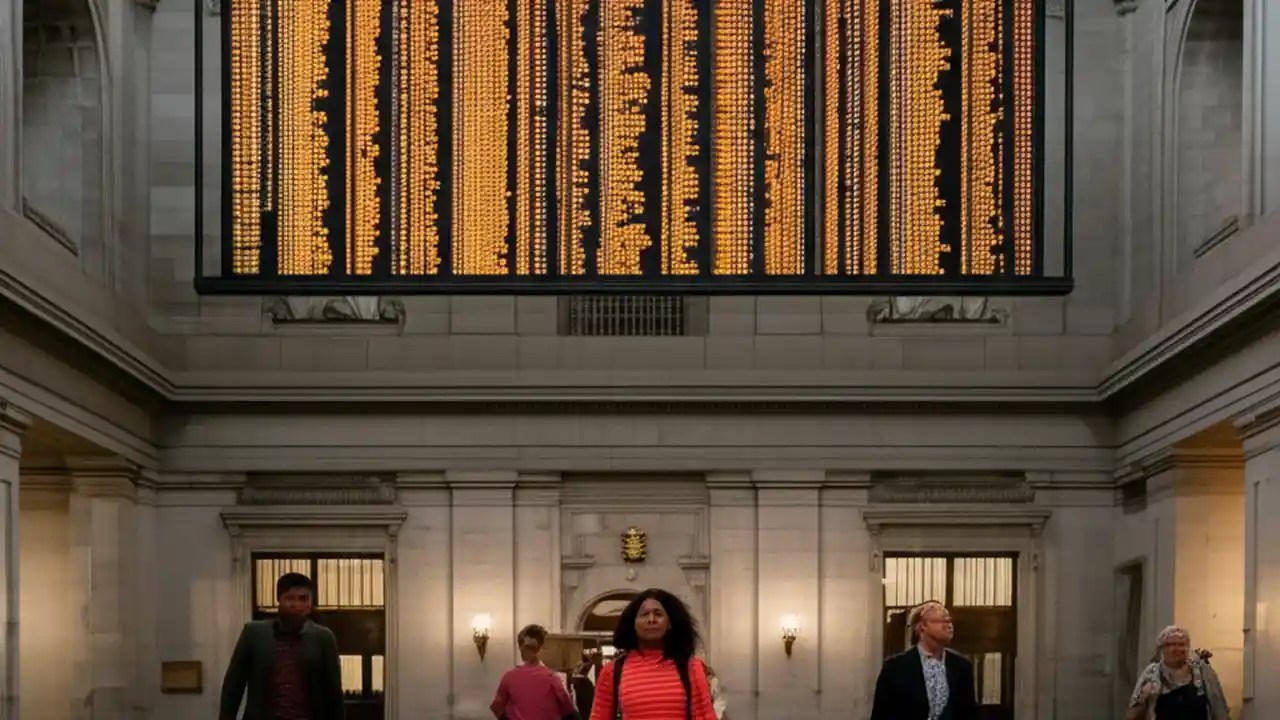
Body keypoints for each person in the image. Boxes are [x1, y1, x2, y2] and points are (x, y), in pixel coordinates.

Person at [219, 572, 344, 720]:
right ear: (279, 600)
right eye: (290, 598)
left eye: (304, 599)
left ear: (311, 602)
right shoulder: (254, 633)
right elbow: (234, 685)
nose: (297, 604)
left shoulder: (323, 637)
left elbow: (334, 692)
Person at [588, 588, 717, 720]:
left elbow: (705, 716)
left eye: (658, 614)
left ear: (670, 623)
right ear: (633, 624)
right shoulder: (612, 672)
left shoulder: (691, 668)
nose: (651, 619)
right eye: (644, 614)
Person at [869, 600, 978, 720]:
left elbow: (969, 713)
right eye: (941, 620)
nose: (949, 625)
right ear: (921, 627)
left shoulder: (961, 666)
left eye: (949, 621)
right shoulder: (895, 668)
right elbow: (880, 715)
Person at [1126, 625, 1229, 720]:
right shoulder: (1151, 673)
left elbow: (1219, 709)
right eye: (1171, 644)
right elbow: (1132, 715)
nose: (1177, 649)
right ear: (1162, 648)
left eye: (1181, 644)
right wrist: (1144, 698)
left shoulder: (1202, 672)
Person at [490, 624, 578, 720]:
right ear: (541, 648)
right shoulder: (552, 679)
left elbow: (497, 708)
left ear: (521, 648)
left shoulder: (509, 677)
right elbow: (569, 713)